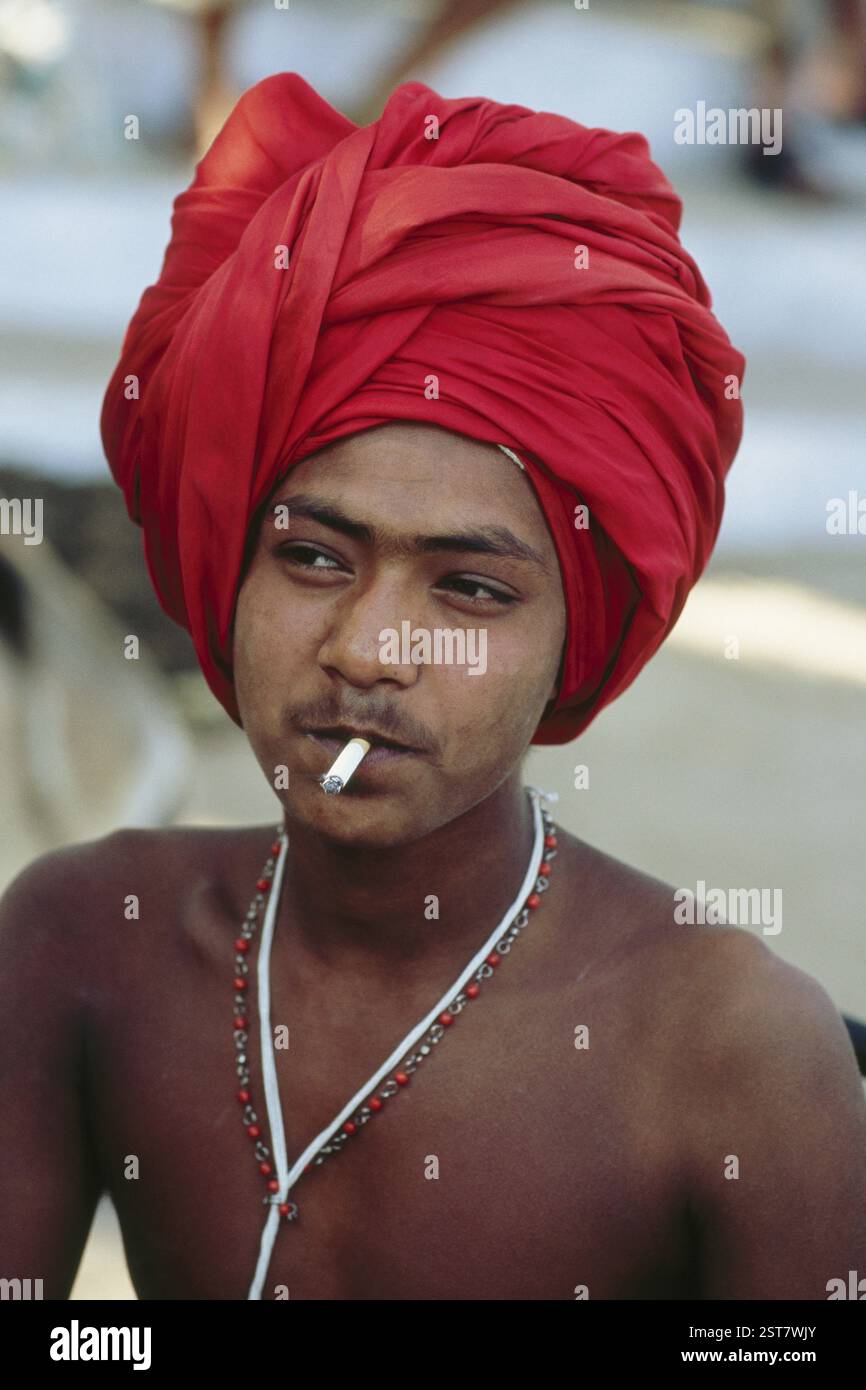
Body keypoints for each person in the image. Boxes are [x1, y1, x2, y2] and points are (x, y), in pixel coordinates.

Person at [2, 73, 865, 1301]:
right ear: (226, 562)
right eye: (310, 557)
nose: (368, 648)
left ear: (579, 635)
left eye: (467, 591)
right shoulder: (82, 941)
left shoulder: (726, 1046)